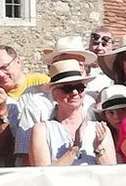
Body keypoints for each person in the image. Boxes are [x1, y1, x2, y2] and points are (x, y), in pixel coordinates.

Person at [15, 37, 101, 166]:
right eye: (69, 61)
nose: (74, 68)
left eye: (80, 64)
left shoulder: (90, 102)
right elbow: (26, 157)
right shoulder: (35, 104)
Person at [29, 60, 116, 166]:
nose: (75, 93)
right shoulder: (42, 130)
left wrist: (98, 148)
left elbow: (111, 173)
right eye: (67, 88)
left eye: (79, 87)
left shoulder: (99, 129)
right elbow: (42, 175)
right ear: (54, 94)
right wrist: (74, 149)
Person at [98, 85, 126, 162]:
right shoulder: (102, 137)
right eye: (111, 113)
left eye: (122, 110)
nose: (117, 116)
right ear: (105, 116)